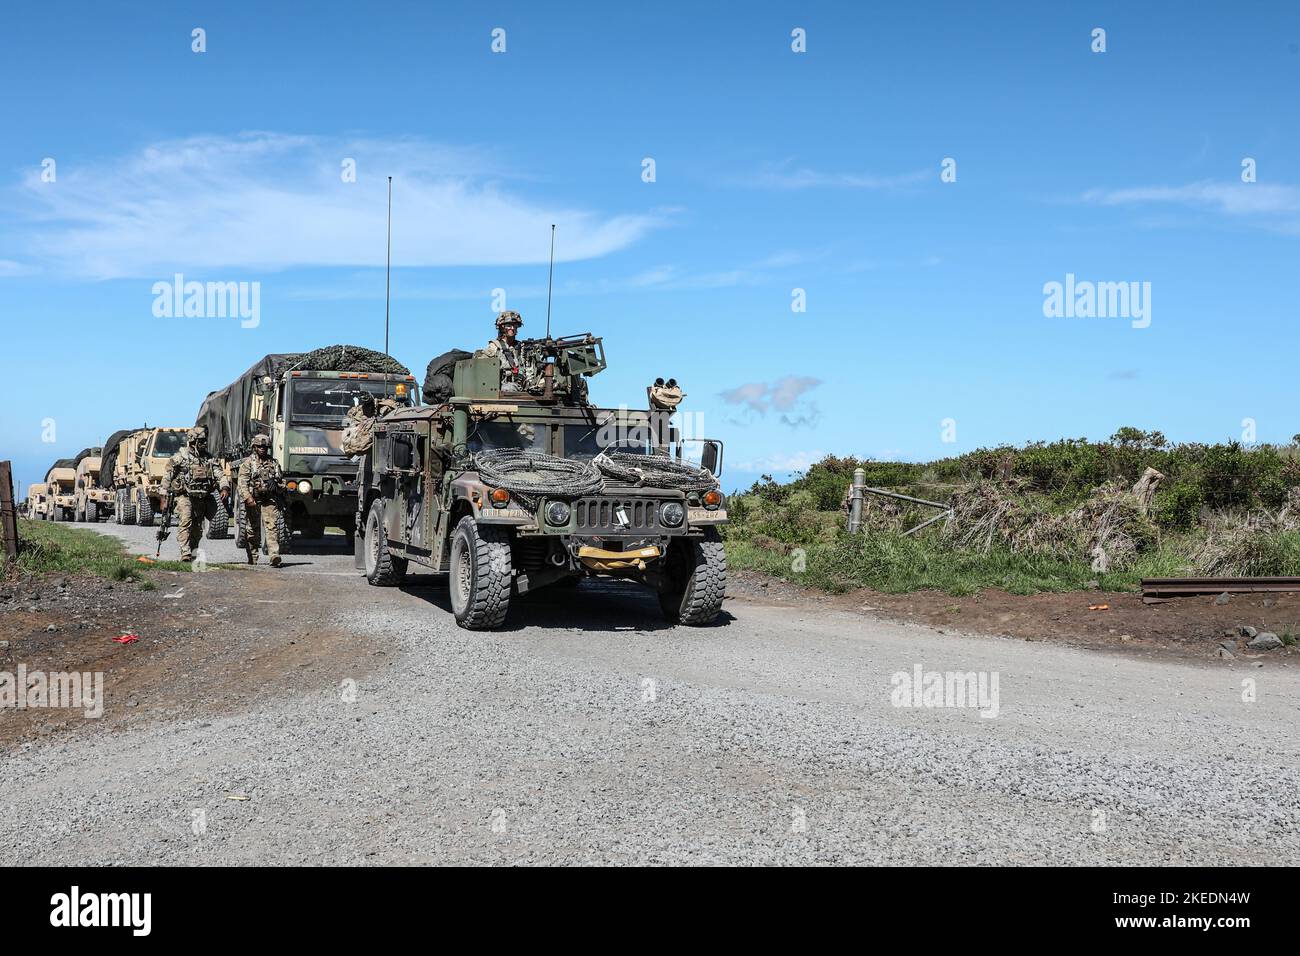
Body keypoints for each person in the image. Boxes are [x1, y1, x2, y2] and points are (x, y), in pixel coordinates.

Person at [160, 426, 230, 563]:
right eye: (201, 441)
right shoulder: (180, 458)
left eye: (204, 441)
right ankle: (185, 552)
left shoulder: (209, 459)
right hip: (184, 497)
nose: (204, 443)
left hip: (202, 498)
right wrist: (163, 497)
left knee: (197, 529)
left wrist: (225, 487)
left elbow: (219, 475)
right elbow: (167, 477)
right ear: (192, 442)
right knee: (186, 521)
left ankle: (193, 551)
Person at [236, 433, 285, 567]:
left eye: (265, 446)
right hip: (253, 501)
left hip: (269, 500)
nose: (262, 448)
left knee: (272, 527)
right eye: (259, 446)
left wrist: (277, 485)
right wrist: (248, 498)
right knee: (252, 530)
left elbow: (281, 482)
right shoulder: (248, 464)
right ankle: (252, 557)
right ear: (254, 447)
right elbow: (242, 483)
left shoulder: (274, 463)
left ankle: (274, 555)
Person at [481, 311, 536, 392]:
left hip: (523, 387)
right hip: (503, 389)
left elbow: (529, 370)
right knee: (510, 388)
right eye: (509, 325)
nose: (512, 328)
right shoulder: (494, 347)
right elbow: (483, 373)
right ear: (502, 327)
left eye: (515, 325)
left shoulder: (522, 348)